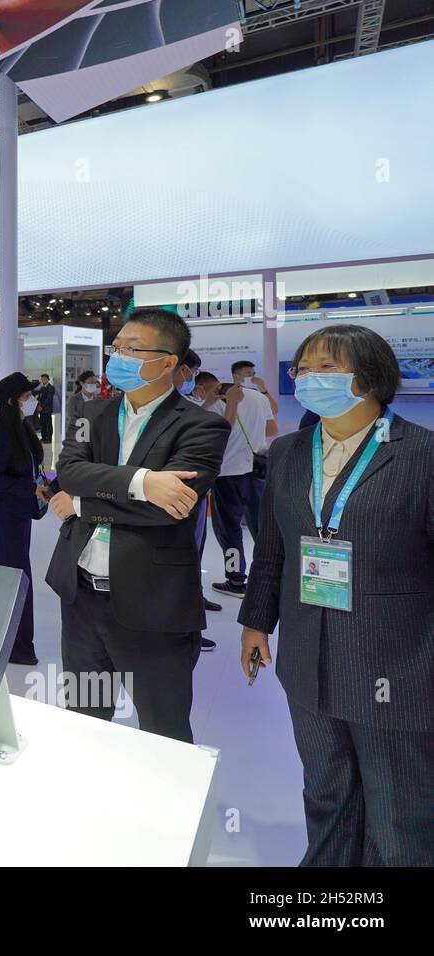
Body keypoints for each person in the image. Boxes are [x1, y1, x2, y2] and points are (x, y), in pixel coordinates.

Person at [239, 324, 434, 865]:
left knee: (399, 811)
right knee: (325, 792)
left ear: (368, 376)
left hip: (395, 666)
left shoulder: (421, 456)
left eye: (328, 366)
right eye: (304, 367)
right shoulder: (287, 453)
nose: (309, 377)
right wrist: (257, 623)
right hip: (308, 659)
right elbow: (272, 548)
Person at [45, 309, 230, 742]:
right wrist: (144, 482)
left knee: (162, 728)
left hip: (153, 604)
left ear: (168, 362)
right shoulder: (92, 412)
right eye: (117, 347)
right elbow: (68, 471)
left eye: (132, 348)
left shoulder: (202, 425)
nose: (119, 356)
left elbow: (169, 509)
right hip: (81, 596)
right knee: (84, 719)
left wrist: (81, 504)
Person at [0, 372, 48, 666]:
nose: (31, 398)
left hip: (19, 511)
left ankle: (16, 645)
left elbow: (32, 465)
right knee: (15, 578)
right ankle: (17, 647)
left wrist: (41, 486)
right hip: (5, 512)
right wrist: (30, 488)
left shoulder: (21, 427)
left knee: (17, 576)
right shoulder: (0, 433)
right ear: (12, 400)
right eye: (26, 395)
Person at [209, 361, 278, 597]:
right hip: (257, 472)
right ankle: (271, 578)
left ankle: (236, 580)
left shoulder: (219, 401)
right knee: (261, 528)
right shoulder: (260, 399)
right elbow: (272, 430)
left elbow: (218, 432)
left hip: (227, 473)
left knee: (229, 531)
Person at [172, 352, 220, 648]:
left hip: (195, 495)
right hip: (176, 499)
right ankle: (183, 629)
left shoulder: (188, 408)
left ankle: (188, 624)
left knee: (191, 556)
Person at [65, 370, 101, 440]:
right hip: (79, 434)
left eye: (94, 383)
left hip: (95, 435)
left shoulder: (99, 399)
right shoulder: (74, 399)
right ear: (82, 383)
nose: (93, 385)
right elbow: (72, 416)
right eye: (90, 383)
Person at [32, 373, 56, 444]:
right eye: (42, 379)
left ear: (48, 379)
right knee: (42, 424)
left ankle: (49, 439)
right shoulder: (42, 388)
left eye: (45, 379)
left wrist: (42, 406)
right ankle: (43, 437)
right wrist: (38, 406)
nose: (43, 380)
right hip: (41, 409)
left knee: (48, 424)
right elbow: (39, 397)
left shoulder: (51, 388)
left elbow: (49, 399)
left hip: (47, 409)